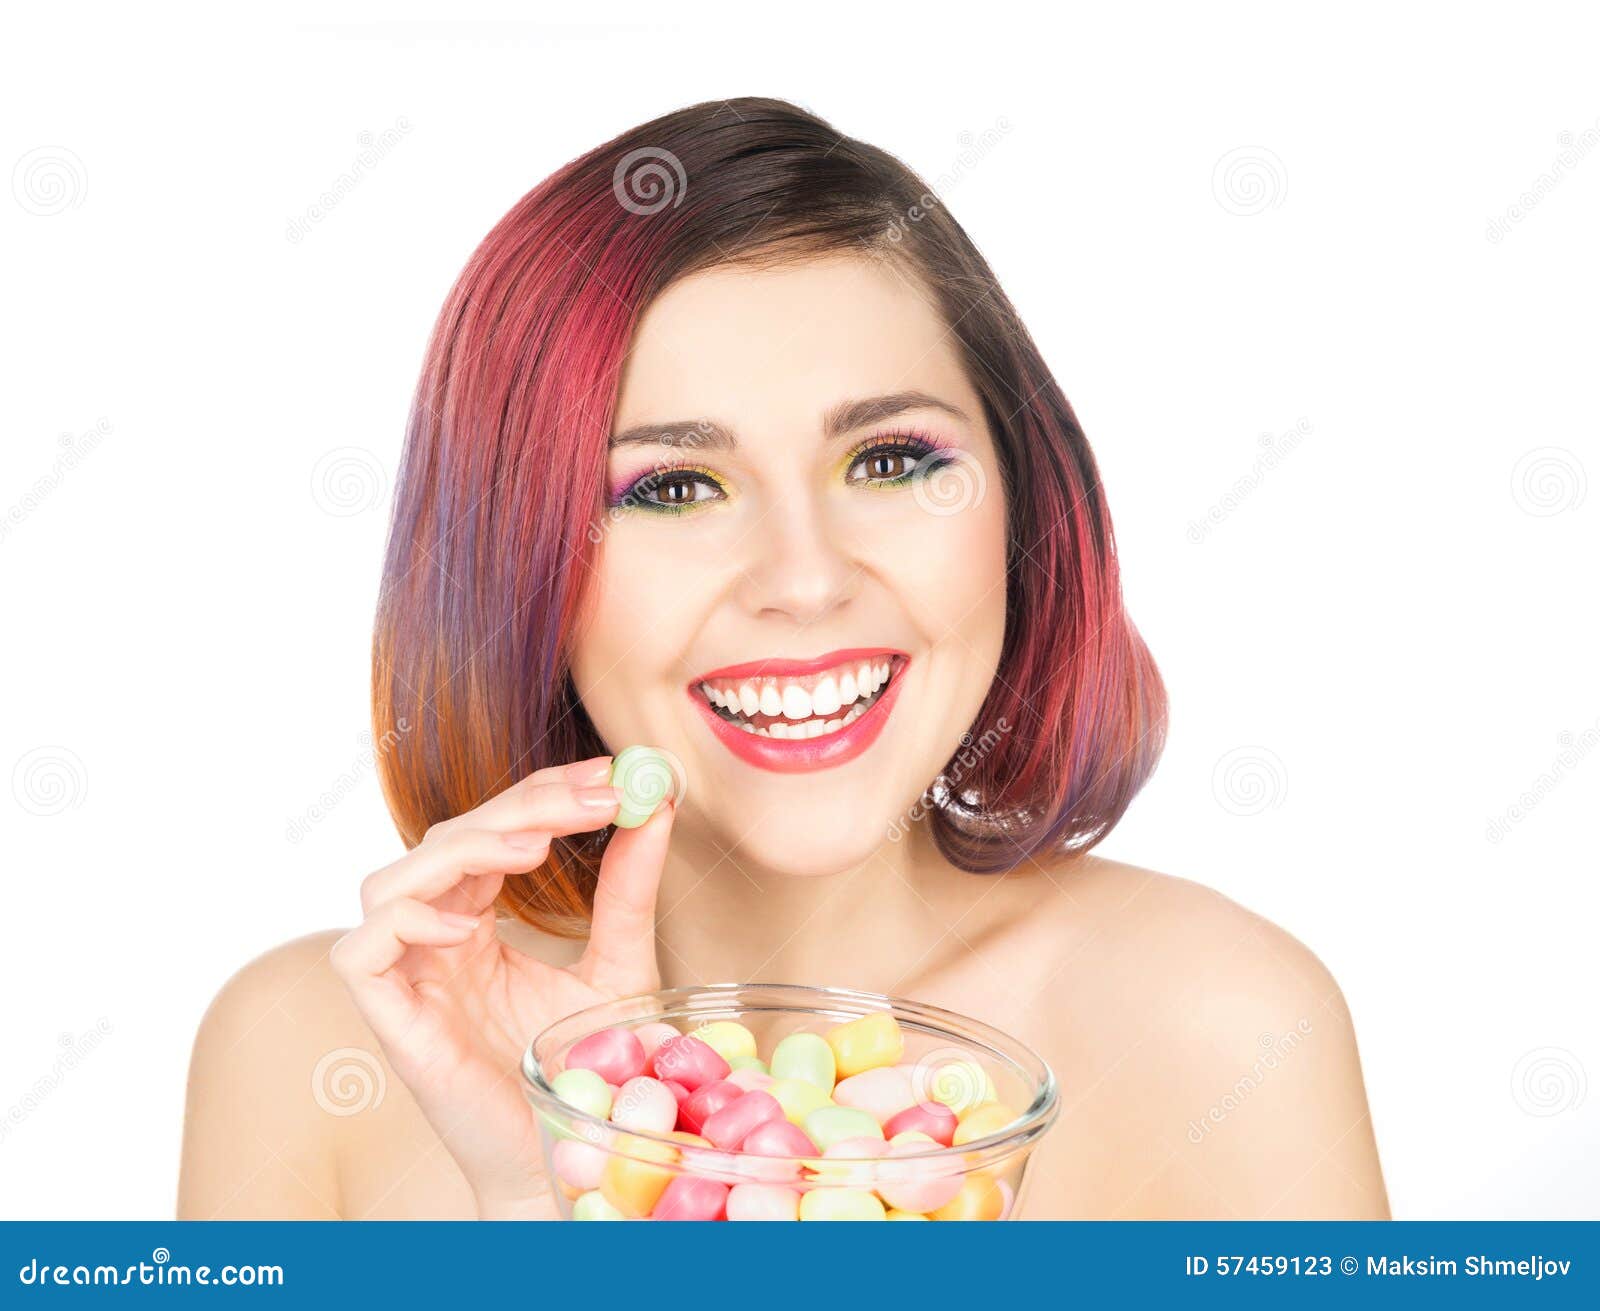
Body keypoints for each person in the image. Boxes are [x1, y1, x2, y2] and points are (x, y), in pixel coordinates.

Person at [179, 97, 1387, 1220]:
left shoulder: (1223, 1029)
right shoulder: (311, 1057)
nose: (804, 581)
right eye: (673, 487)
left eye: (889, 462)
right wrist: (560, 1203)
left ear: (1027, 500)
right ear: (513, 556)